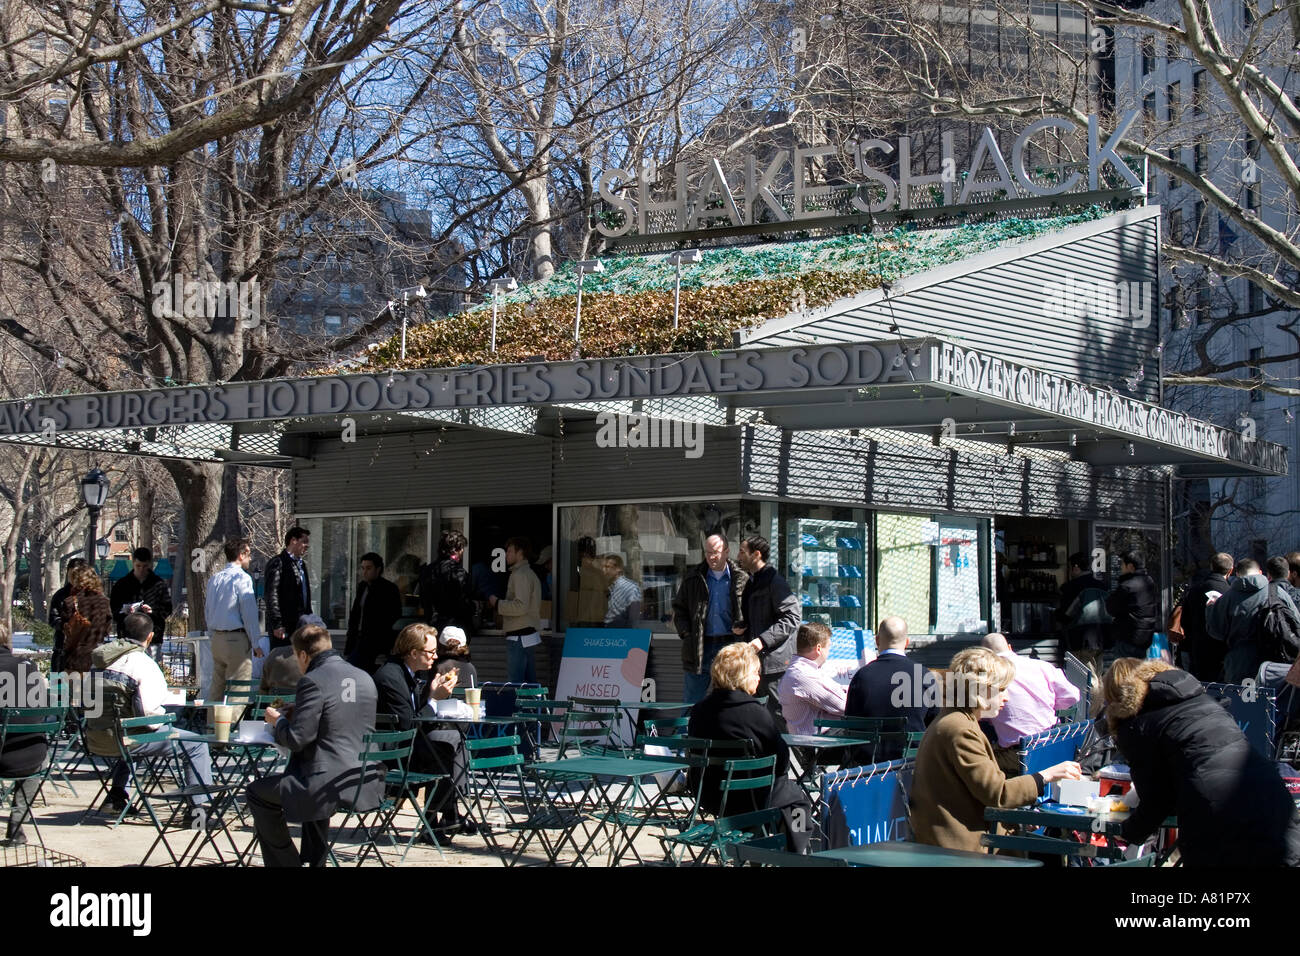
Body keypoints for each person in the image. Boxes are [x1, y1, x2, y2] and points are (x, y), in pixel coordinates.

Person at [1099, 657, 1300, 866]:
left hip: (1220, 820)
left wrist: (1128, 832)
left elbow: (1156, 801)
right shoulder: (1200, 700)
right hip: (1275, 802)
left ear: (1115, 699)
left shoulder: (1137, 726)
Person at [908, 646, 1080, 853]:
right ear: (980, 691)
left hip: (955, 843)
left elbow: (977, 794)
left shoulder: (954, 722)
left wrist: (1014, 821)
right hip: (962, 849)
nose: (1006, 698)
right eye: (1001, 690)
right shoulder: (960, 729)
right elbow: (998, 794)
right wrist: (1046, 775)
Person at [245, 624, 383, 867]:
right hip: (365, 780)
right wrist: (298, 712)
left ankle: (287, 864)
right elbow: (340, 719)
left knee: (257, 792)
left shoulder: (312, 680)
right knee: (312, 773)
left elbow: (297, 740)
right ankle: (313, 860)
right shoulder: (364, 677)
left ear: (303, 655)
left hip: (326, 786)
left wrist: (278, 722)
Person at [686, 642, 813, 852]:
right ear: (744, 675)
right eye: (756, 672)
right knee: (797, 803)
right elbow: (781, 762)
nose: (759, 677)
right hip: (754, 796)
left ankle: (754, 848)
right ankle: (795, 856)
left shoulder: (699, 710)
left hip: (710, 797)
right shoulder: (755, 713)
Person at [96, 613, 215, 819]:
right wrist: (167, 717)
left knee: (129, 728)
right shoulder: (143, 664)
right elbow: (150, 717)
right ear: (150, 637)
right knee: (196, 744)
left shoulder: (98, 661)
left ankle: (116, 796)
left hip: (97, 737)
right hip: (128, 740)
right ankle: (199, 810)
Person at [371, 623, 472, 839]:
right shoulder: (391, 676)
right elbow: (409, 724)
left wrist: (432, 698)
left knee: (454, 739)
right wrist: (434, 699)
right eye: (431, 652)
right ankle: (445, 815)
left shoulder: (409, 672)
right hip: (393, 754)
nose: (436, 657)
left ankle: (443, 816)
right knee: (447, 745)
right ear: (413, 652)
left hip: (407, 745)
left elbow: (415, 719)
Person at [980, 633, 1080, 771]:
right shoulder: (1042, 666)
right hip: (1049, 746)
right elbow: (1073, 696)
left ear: (984, 655)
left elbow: (979, 714)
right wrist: (1048, 705)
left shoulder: (985, 676)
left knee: (976, 762)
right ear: (1010, 647)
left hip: (1017, 756)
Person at [845, 616, 938, 761]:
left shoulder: (862, 676)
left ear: (877, 641)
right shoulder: (924, 675)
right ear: (907, 642)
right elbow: (935, 722)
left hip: (867, 764)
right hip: (913, 761)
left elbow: (850, 722)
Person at [673, 533, 748, 705]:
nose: (711, 557)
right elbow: (679, 609)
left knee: (730, 699)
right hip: (700, 646)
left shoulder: (741, 578)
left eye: (716, 552)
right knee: (692, 701)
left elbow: (750, 610)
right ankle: (688, 732)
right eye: (707, 553)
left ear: (727, 551)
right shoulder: (694, 578)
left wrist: (744, 625)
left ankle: (726, 732)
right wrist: (686, 633)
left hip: (730, 646)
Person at [736, 535, 801, 721]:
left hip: (774, 663)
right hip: (756, 661)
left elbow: (792, 617)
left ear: (756, 555)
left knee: (777, 714)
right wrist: (743, 626)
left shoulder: (775, 581)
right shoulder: (752, 582)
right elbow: (759, 617)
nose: (738, 556)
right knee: (757, 714)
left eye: (742, 551)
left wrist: (762, 640)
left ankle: (789, 750)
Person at [0, 623, 48, 847]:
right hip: (31, 754)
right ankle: (17, 825)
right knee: (38, 760)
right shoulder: (28, 666)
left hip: (5, 754)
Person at [204, 537, 262, 703]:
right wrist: (256, 643)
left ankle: (211, 727)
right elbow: (249, 614)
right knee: (238, 690)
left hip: (217, 639)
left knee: (217, 689)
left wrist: (212, 635)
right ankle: (234, 728)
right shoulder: (242, 579)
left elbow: (208, 610)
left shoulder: (215, 579)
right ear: (241, 555)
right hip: (236, 639)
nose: (250, 558)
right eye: (249, 554)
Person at [1206, 558, 1270, 683]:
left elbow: (1216, 632)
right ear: (1260, 572)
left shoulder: (1227, 597)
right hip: (1271, 663)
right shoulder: (1276, 593)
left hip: (1238, 662)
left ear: (1237, 574)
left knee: (1242, 700)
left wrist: (1210, 610)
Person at [777, 623, 848, 736]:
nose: (829, 652)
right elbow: (844, 706)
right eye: (828, 647)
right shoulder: (804, 675)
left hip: (822, 738)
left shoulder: (803, 670)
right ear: (819, 648)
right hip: (820, 742)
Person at [490, 537, 542, 683]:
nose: (506, 554)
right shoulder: (527, 573)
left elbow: (521, 606)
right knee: (529, 684)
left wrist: (497, 604)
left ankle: (521, 707)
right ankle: (531, 707)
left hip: (519, 636)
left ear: (520, 553)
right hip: (525, 635)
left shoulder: (520, 575)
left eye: (510, 551)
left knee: (516, 684)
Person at [108, 547, 173, 659]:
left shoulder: (158, 584)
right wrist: (125, 612)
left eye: (145, 566)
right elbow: (113, 609)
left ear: (149, 565)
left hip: (152, 636)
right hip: (127, 636)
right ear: (133, 563)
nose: (141, 570)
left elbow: (167, 608)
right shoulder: (121, 585)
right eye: (138, 566)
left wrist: (153, 611)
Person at [344, 552, 403, 673]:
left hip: (377, 643)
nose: (364, 572)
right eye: (363, 568)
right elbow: (355, 614)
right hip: (359, 640)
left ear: (378, 569)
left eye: (369, 568)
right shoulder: (362, 587)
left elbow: (394, 616)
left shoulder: (388, 589)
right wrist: (350, 642)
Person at [1179, 552, 1233, 681]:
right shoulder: (1230, 593)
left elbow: (1185, 621)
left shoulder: (1195, 590)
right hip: (1222, 654)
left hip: (1197, 651)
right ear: (1231, 570)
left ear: (1211, 567)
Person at [1055, 552, 1110, 663]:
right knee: (1097, 673)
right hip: (1102, 637)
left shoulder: (1070, 588)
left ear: (1075, 567)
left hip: (1079, 639)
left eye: (1069, 568)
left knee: (1085, 676)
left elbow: (1066, 615)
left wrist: (1055, 614)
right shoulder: (1102, 586)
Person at [1104, 551, 1159, 660]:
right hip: (1145, 637)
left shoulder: (1127, 586)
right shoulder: (1149, 581)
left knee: (1124, 672)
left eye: (1122, 565)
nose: (1120, 568)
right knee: (1139, 671)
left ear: (1130, 566)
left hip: (1128, 637)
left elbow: (1111, 608)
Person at [263, 526, 312, 650]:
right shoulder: (278, 562)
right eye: (304, 542)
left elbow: (304, 595)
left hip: (301, 624)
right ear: (293, 541)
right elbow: (271, 595)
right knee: (283, 662)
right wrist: (277, 624)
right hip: (284, 627)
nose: (307, 546)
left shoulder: (301, 564)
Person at [419, 531, 475, 634]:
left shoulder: (427, 570)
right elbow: (463, 602)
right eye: (462, 548)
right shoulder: (458, 573)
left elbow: (423, 600)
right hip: (455, 627)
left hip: (432, 627)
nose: (462, 552)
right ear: (457, 550)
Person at [61, 565, 113, 673]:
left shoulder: (70, 602)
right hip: (97, 656)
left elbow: (66, 629)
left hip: (74, 657)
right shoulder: (105, 601)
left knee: (73, 689)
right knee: (95, 689)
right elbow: (108, 629)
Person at [47, 557, 87, 673]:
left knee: (82, 689)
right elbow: (53, 619)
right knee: (58, 688)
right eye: (71, 574)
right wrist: (65, 625)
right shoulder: (60, 595)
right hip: (62, 649)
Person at [601, 553, 642, 627]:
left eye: (607, 567)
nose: (603, 570)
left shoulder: (631, 587)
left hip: (622, 633)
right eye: (603, 567)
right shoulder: (609, 586)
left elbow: (634, 618)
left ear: (618, 569)